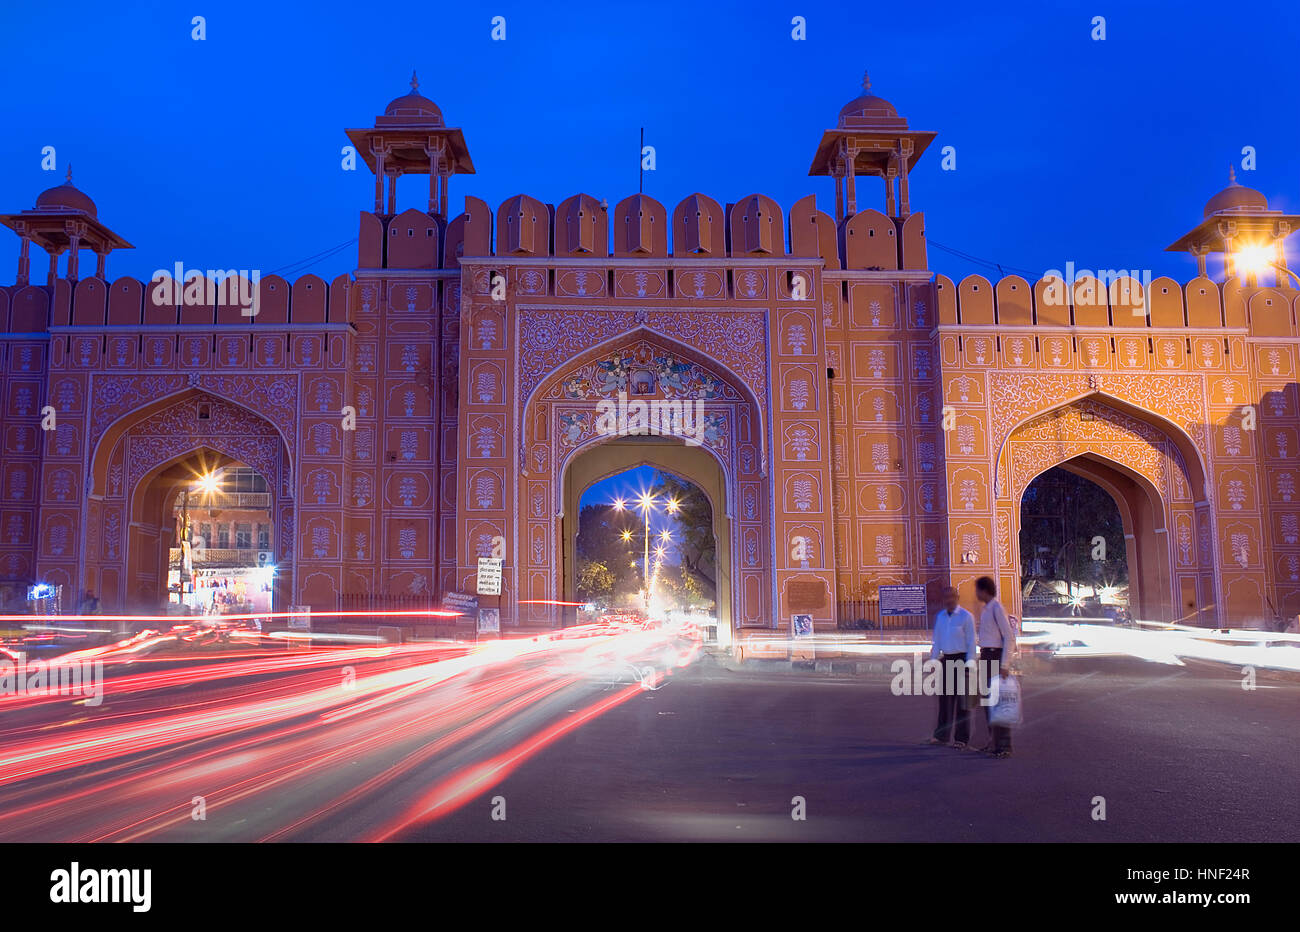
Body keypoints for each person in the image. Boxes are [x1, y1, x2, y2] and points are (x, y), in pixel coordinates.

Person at [926, 585, 977, 749]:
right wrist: (933, 661)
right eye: (946, 597)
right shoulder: (941, 617)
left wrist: (970, 665)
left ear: (957, 597)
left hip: (962, 661)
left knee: (963, 704)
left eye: (952, 597)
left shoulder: (966, 617)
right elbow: (937, 640)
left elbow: (971, 643)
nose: (949, 600)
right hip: (946, 661)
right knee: (945, 702)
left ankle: (961, 739)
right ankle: (942, 736)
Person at [974, 576, 1016, 756]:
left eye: (977, 590)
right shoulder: (987, 610)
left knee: (998, 704)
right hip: (986, 655)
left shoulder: (997, 609)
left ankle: (1004, 746)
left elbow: (1009, 636)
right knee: (988, 703)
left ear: (984, 590)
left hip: (995, 657)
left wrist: (1004, 664)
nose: (975, 593)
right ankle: (993, 742)